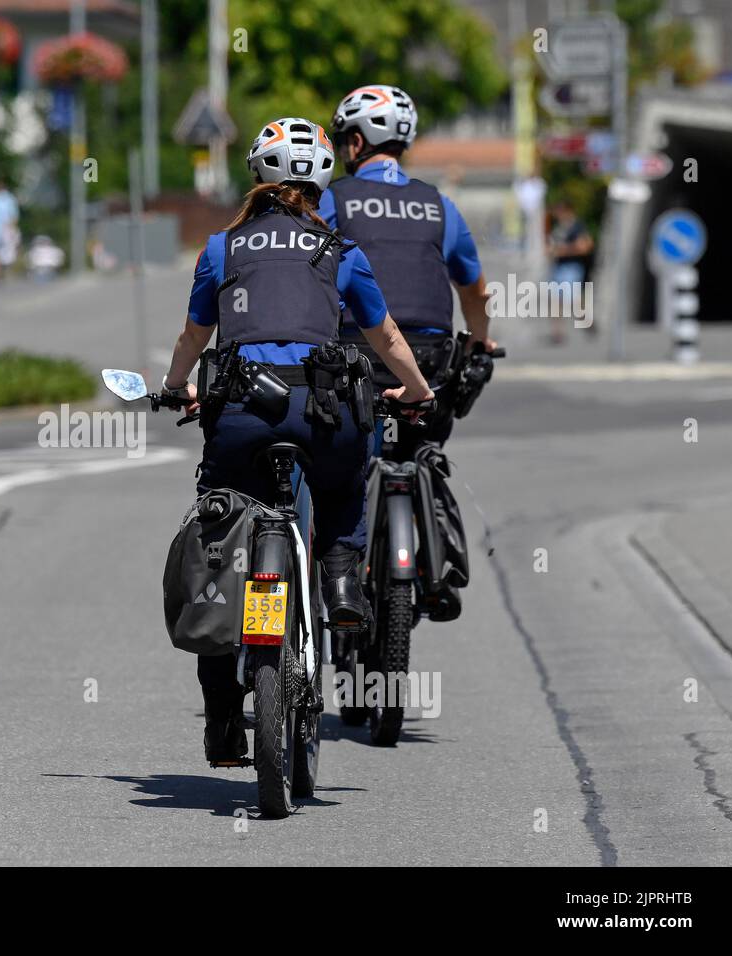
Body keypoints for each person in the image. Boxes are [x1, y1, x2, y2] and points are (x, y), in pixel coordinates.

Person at [164, 117, 434, 762]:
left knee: (222, 549)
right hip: (326, 413)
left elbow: (193, 337)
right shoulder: (341, 252)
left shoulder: (221, 249)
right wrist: (418, 391)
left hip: (240, 414)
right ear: (318, 181)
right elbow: (387, 338)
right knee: (341, 489)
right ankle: (341, 584)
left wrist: (177, 386)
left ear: (258, 175)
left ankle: (224, 719)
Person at [326, 83, 496, 439]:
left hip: (356, 353)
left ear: (357, 142)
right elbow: (475, 292)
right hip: (430, 359)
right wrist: (480, 343)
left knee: (334, 470)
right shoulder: (439, 205)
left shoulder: (333, 199)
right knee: (426, 449)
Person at [546, 199, 595, 344]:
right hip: (558, 267)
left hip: (572, 267)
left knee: (573, 301)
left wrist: (563, 251)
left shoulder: (577, 226)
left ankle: (587, 321)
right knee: (555, 300)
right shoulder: (558, 228)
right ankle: (557, 332)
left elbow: (585, 246)